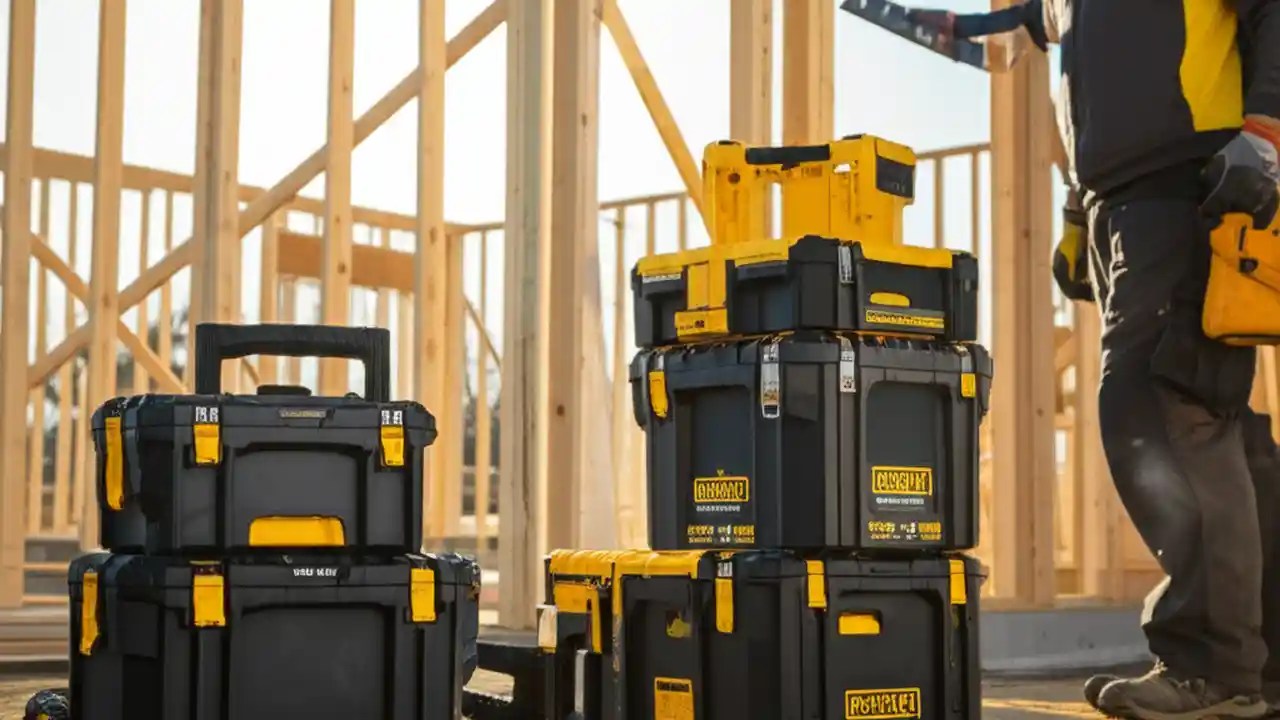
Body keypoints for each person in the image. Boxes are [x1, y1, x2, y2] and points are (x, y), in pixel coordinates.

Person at [914, 0, 1280, 717]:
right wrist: (1079, 210)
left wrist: (1265, 133)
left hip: (1194, 182)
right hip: (1123, 204)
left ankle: (1213, 669)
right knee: (1213, 423)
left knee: (1162, 409)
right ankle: (1257, 665)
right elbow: (1007, 46)